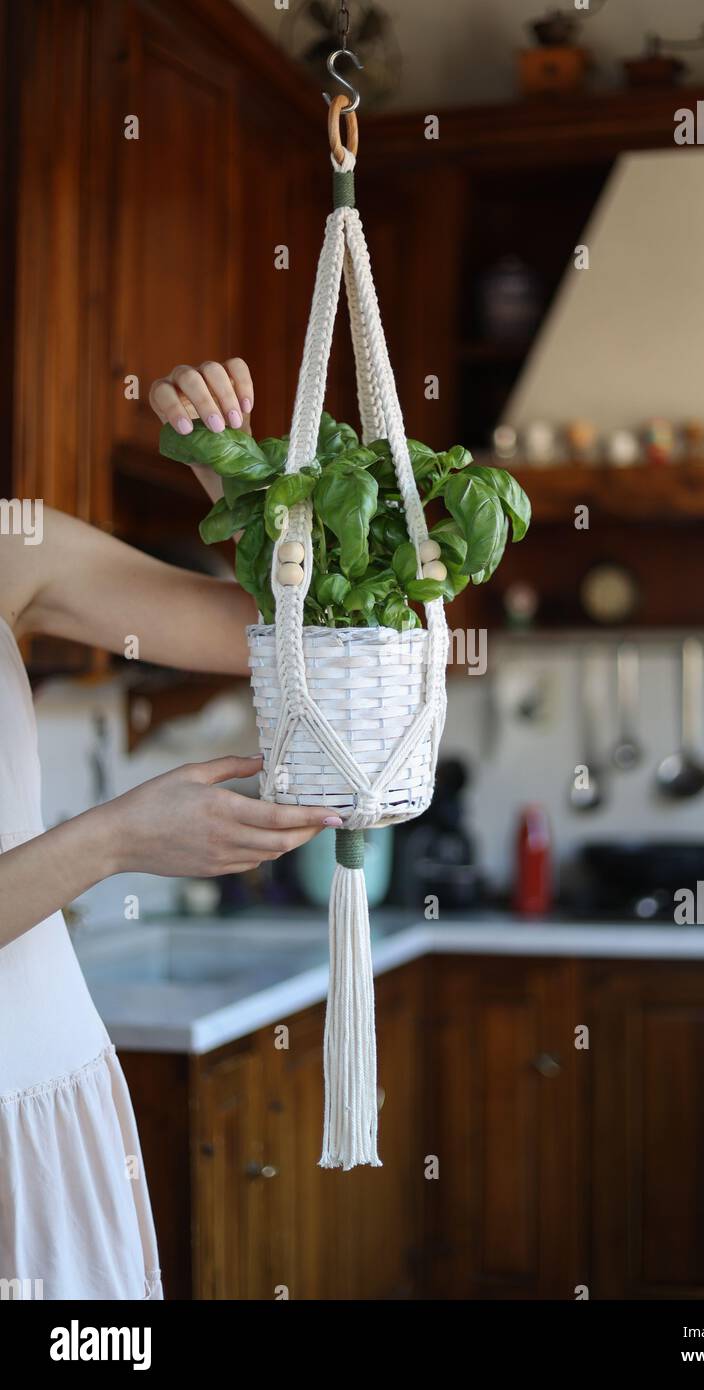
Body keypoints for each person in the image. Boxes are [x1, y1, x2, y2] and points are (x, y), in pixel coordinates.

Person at [0, 358, 338, 1300]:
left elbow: (304, 640)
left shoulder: (10, 547)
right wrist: (114, 841)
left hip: (53, 1102)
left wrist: (234, 483)